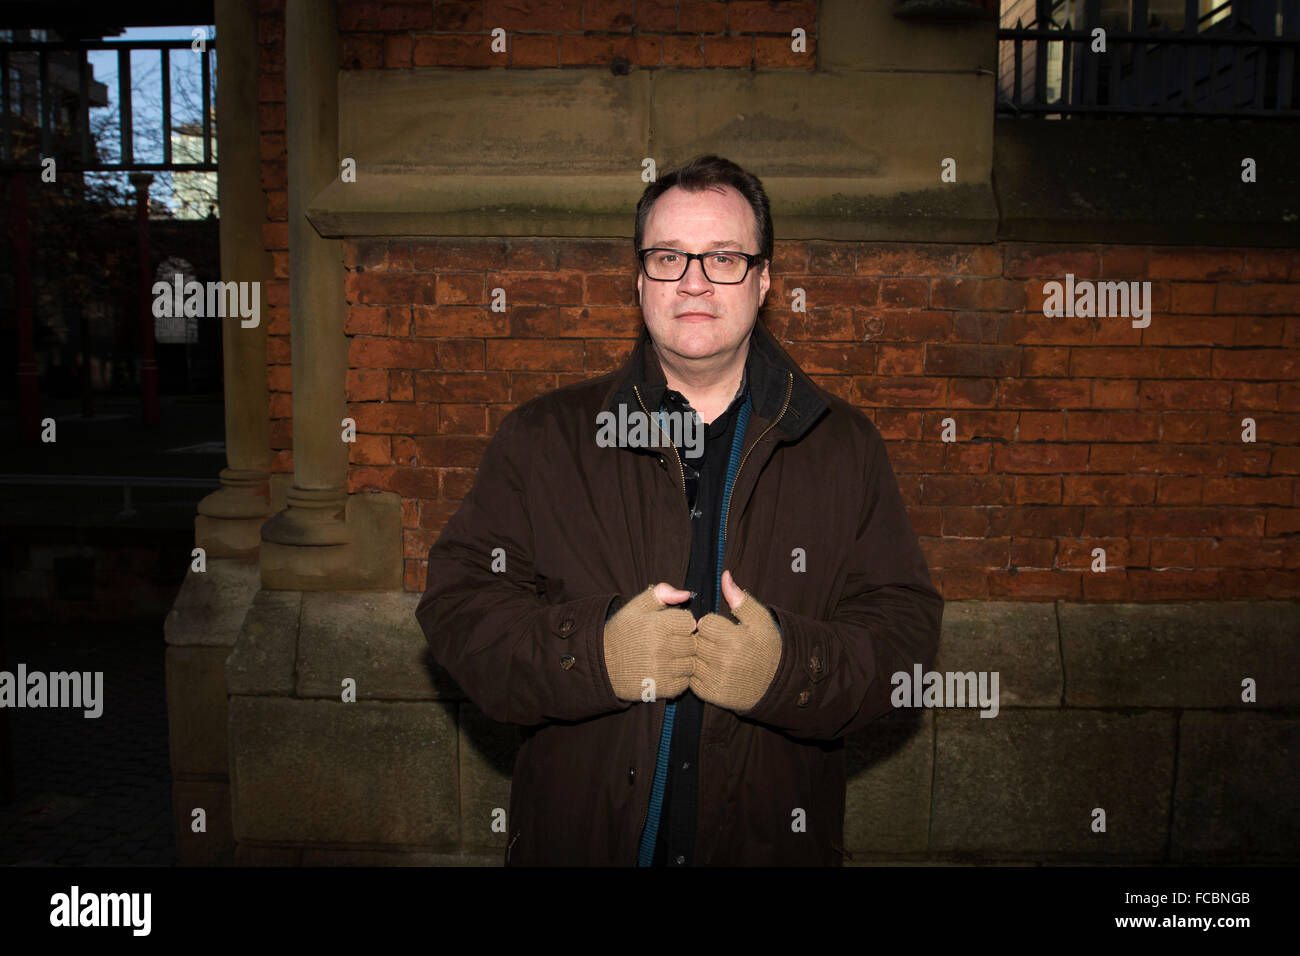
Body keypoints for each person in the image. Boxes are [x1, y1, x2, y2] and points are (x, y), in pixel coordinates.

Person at [416, 154, 943, 866]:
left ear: (763, 282)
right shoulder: (545, 438)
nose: (693, 280)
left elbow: (905, 634)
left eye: (723, 257)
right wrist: (595, 652)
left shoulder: (841, 446)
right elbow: (457, 610)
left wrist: (786, 669)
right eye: (668, 257)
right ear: (639, 282)